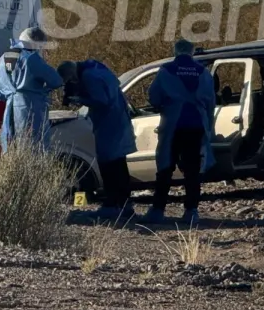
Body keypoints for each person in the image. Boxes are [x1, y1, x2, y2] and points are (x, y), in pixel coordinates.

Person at [142, 39, 217, 226]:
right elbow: (211, 102)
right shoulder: (203, 72)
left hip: (173, 125)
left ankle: (158, 210)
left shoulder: (166, 70)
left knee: (165, 167)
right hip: (196, 124)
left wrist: (163, 106)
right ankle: (191, 211)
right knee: (192, 170)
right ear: (192, 52)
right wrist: (209, 126)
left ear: (175, 51)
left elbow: (154, 96)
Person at [57, 59, 137, 220]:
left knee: (109, 164)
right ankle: (124, 205)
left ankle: (113, 205)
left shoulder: (88, 76)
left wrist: (78, 99)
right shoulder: (96, 67)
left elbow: (101, 101)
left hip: (109, 123)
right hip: (117, 118)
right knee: (118, 163)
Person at [0, 26, 63, 152]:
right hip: (30, 111)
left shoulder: (1, 61)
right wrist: (42, 90)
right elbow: (56, 80)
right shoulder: (31, 58)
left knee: (11, 152)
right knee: (33, 151)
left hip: (9, 114)